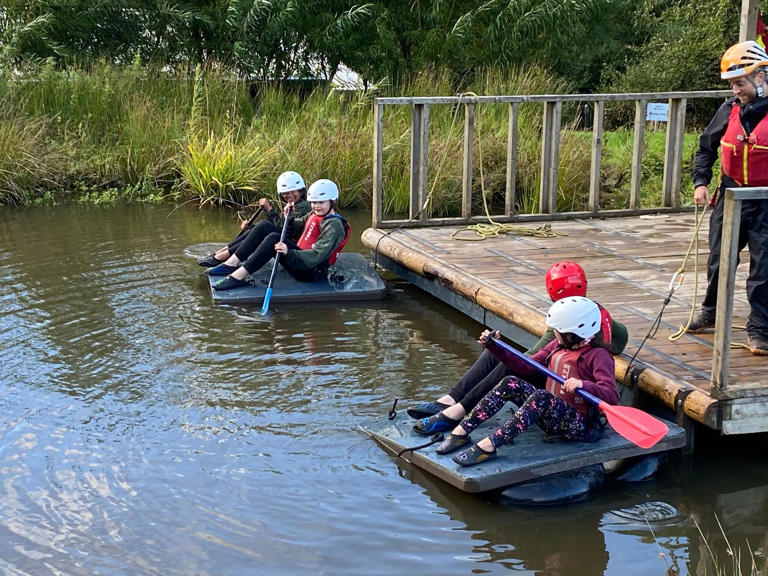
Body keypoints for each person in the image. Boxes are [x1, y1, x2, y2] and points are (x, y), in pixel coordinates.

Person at [409, 261, 628, 435]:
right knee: (497, 352)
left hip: (563, 386)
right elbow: (622, 336)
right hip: (558, 371)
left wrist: (594, 356)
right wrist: (496, 347)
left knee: (508, 365)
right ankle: (450, 399)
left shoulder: (567, 328)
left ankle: (457, 412)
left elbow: (531, 361)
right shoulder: (593, 312)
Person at [434, 296, 619, 467]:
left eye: (558, 330)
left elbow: (611, 395)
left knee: (541, 397)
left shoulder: (599, 356)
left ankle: (489, 446)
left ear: (573, 334)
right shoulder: (558, 345)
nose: (554, 333)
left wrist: (583, 385)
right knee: (511, 382)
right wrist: (495, 347)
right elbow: (526, 367)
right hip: (551, 415)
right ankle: (461, 432)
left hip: (578, 426)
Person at [690, 40, 768, 355]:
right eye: (732, 84)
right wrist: (700, 182)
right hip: (730, 196)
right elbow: (706, 147)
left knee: (764, 269)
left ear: (760, 78)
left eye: (740, 83)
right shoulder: (728, 109)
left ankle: (760, 328)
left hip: (765, 202)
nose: (736, 89)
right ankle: (711, 310)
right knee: (719, 259)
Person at [208, 178, 350, 291]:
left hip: (311, 271)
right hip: (300, 260)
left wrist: (289, 252)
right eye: (313, 202)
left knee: (274, 239)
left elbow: (316, 256)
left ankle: (238, 276)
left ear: (333, 201)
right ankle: (232, 263)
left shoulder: (334, 225)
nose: (316, 206)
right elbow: (293, 229)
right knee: (264, 226)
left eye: (321, 202)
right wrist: (290, 215)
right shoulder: (314, 214)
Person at [197, 170, 312, 268]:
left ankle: (223, 257)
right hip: (286, 239)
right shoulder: (293, 205)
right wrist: (251, 228)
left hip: (291, 247)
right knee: (258, 228)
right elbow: (281, 227)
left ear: (301, 191)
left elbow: (286, 229)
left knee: (263, 226)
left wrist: (270, 210)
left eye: (293, 192)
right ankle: (220, 253)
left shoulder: (303, 206)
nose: (289, 195)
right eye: (285, 193)